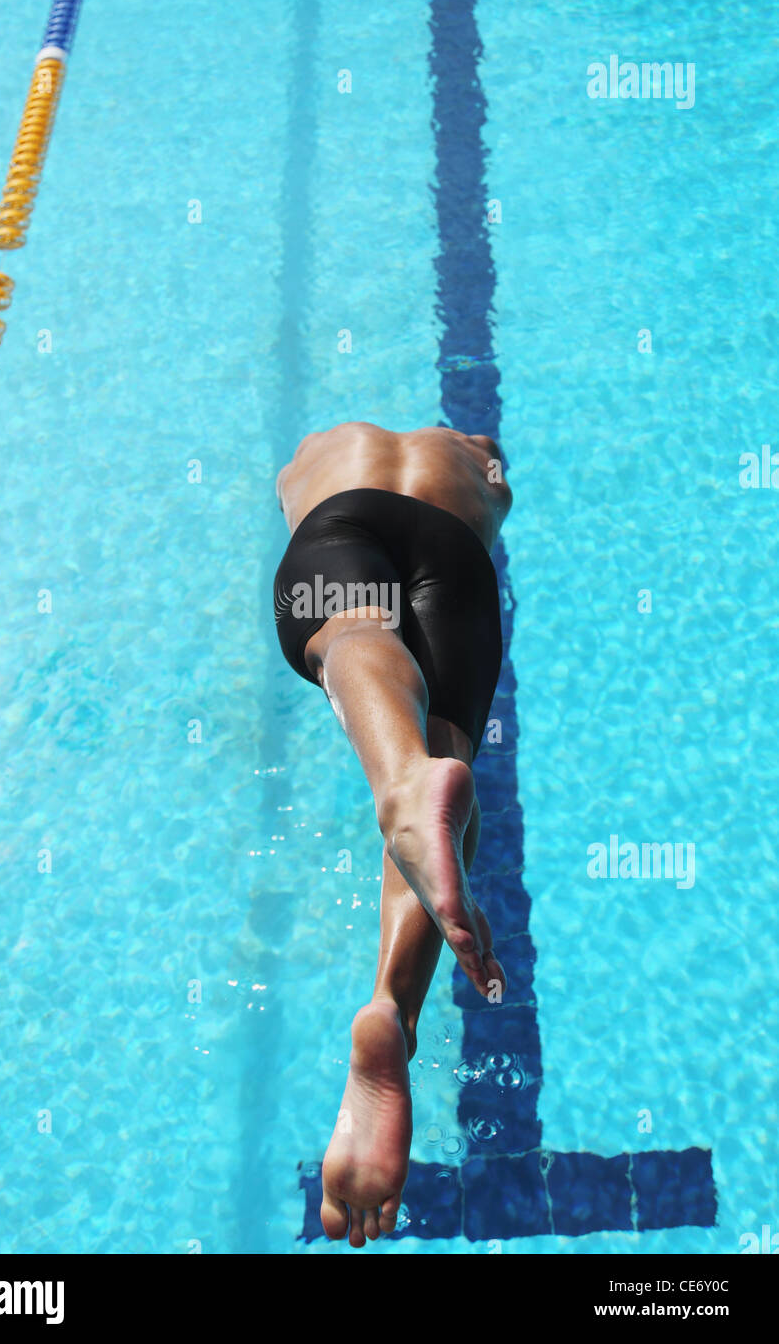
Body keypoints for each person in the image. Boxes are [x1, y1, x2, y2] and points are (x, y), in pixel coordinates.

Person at [273, 420, 513, 1248]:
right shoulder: (479, 463)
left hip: (336, 524)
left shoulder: (314, 453)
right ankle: (391, 1013)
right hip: (457, 550)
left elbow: (288, 488)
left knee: (353, 634)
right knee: (445, 746)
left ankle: (402, 781)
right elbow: (497, 494)